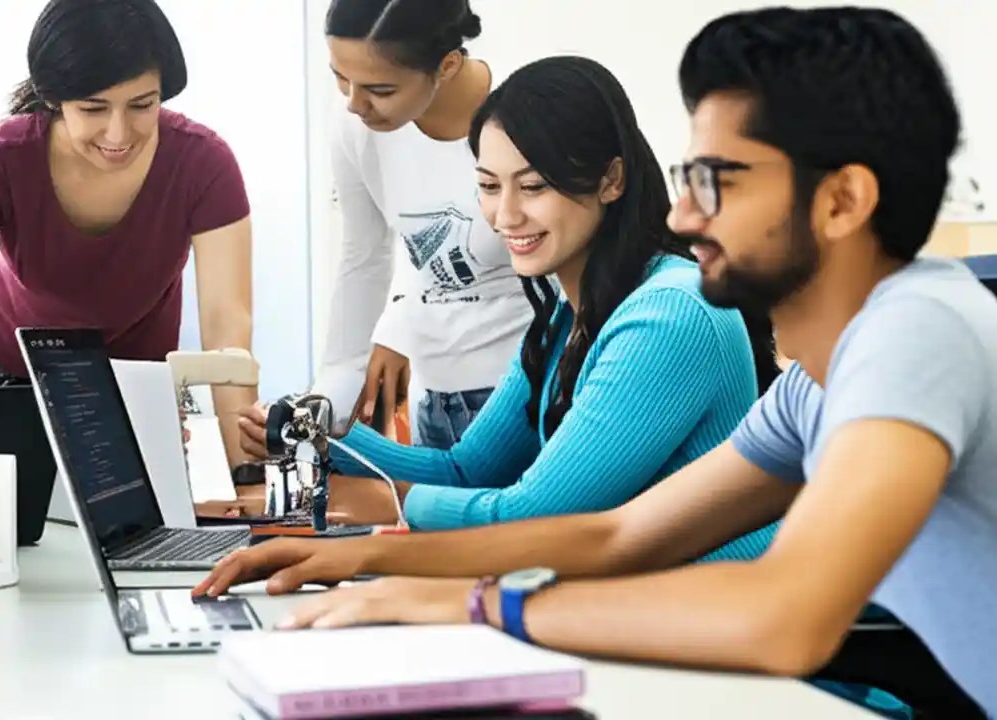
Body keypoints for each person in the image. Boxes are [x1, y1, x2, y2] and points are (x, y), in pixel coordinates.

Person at [197, 8, 996, 718]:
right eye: (688, 179)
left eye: (717, 182)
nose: (683, 212)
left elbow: (786, 617)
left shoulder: (917, 328)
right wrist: (366, 551)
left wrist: (478, 605)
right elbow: (616, 538)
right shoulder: (817, 383)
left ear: (842, 202)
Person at [237, 56, 781, 535]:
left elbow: (535, 516)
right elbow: (466, 471)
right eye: (490, 186)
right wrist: (314, 439)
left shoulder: (670, 314)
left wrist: (384, 502)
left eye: (534, 186)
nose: (505, 215)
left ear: (611, 180)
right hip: (637, 611)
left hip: (704, 625)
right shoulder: (564, 320)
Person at [0, 0, 256, 467]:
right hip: (1, 381)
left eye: (142, 105)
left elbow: (228, 329)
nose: (119, 132)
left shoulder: (204, 164)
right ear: (52, 96)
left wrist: (240, 470)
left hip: (131, 393)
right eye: (93, 108)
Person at [301, 0, 532, 448]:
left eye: (380, 89)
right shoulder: (356, 126)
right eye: (340, 77)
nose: (354, 104)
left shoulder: (526, 117)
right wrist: (331, 396)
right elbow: (364, 258)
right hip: (436, 397)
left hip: (526, 393)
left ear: (446, 65)